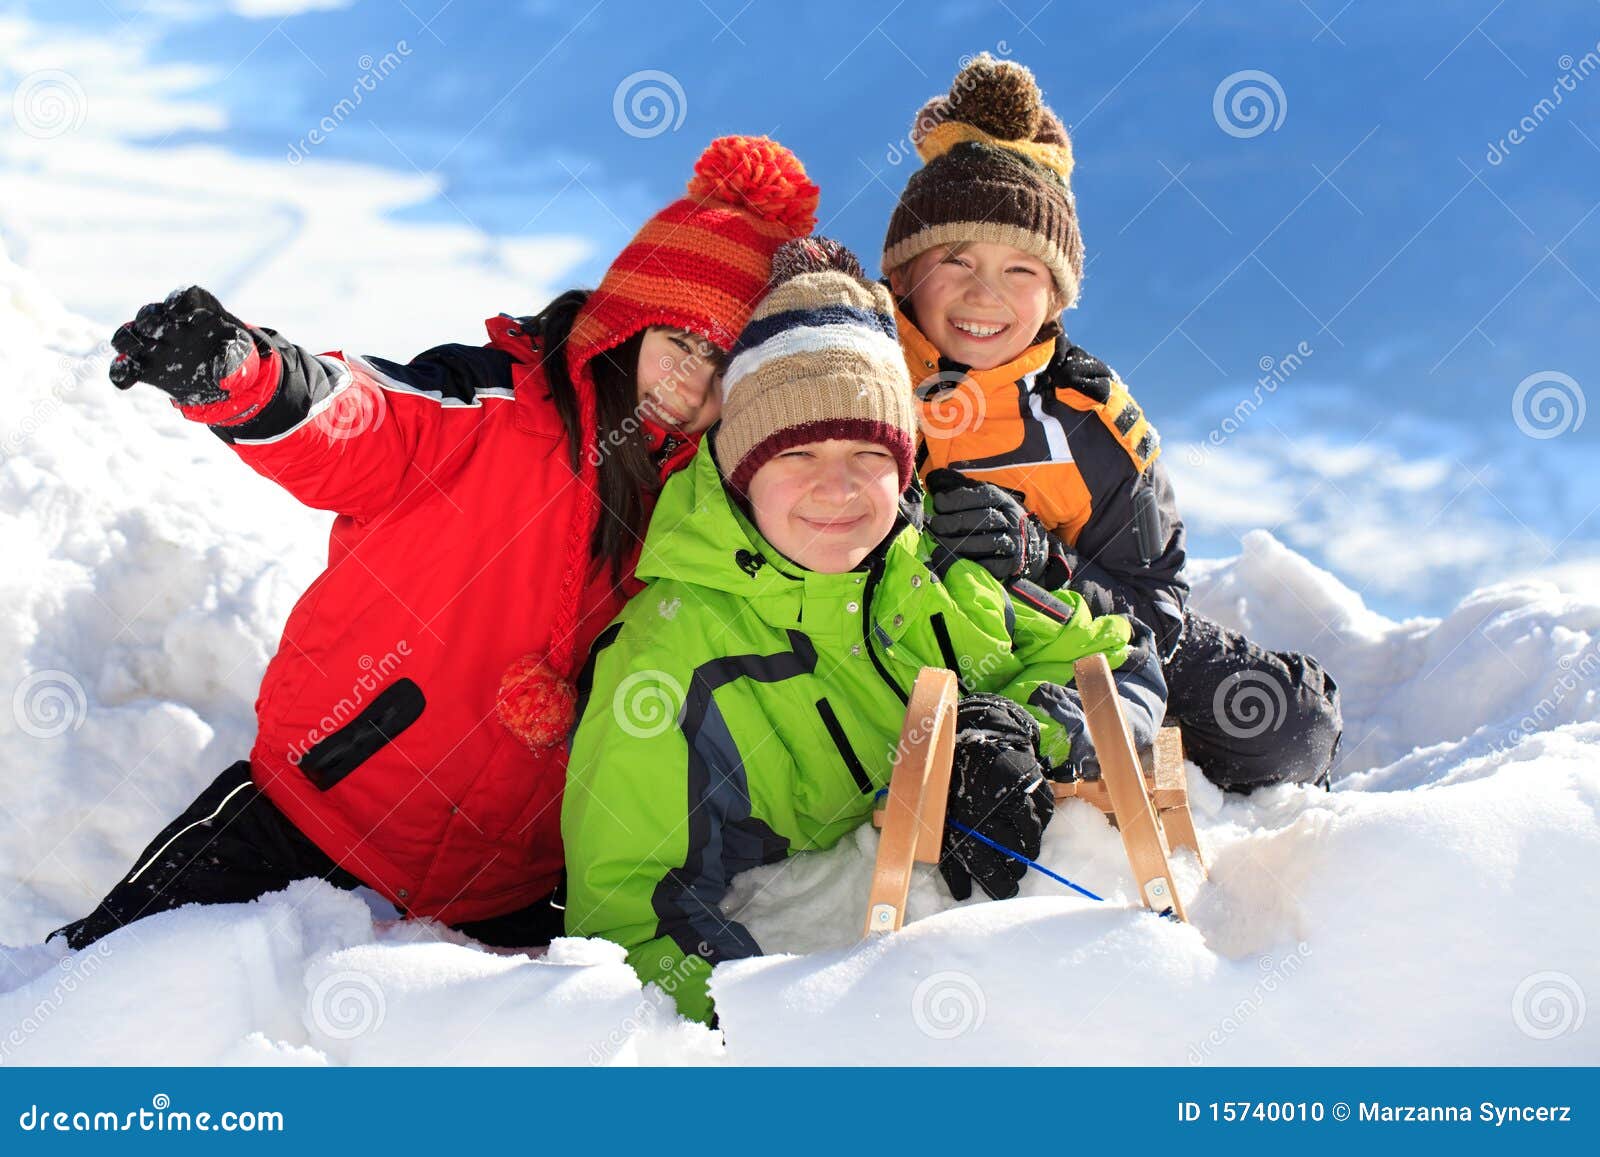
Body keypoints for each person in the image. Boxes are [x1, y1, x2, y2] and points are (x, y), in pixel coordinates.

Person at [49, 136, 820, 950]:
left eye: (724, 366)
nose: (691, 389)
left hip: (512, 894)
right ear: (630, 322)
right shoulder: (490, 407)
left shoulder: (718, 513)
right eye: (682, 346)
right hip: (307, 821)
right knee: (84, 998)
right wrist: (250, 376)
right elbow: (361, 420)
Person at [559, 238, 1166, 1023]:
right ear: (742, 469)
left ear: (905, 464)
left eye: (866, 452)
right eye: (798, 451)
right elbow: (629, 932)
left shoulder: (948, 563)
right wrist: (806, 1039)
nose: (837, 486)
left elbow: (1119, 659)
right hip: (811, 986)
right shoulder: (667, 664)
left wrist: (1016, 728)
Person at [881, 54, 1342, 791]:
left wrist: (1042, 561)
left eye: (1021, 271)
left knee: (1286, 725)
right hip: (897, 642)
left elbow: (1155, 606)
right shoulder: (860, 372)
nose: (984, 294)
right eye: (955, 261)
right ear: (904, 273)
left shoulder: (1089, 418)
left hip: (1079, 635)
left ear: (1056, 295)